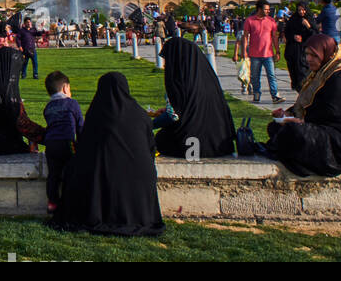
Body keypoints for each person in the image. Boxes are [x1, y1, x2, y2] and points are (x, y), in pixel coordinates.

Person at [50, 72, 165, 237]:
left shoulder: (96, 115)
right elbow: (150, 148)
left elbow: (85, 147)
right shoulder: (140, 115)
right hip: (138, 187)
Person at [266, 35, 341, 177]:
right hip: (325, 126)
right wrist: (289, 114)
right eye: (307, 54)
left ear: (326, 53)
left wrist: (300, 121)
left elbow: (332, 111)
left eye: (313, 55)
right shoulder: (324, 72)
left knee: (294, 132)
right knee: (276, 127)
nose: (308, 59)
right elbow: (311, 103)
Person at [154, 37, 236, 158]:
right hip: (219, 143)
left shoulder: (180, 82)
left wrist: (148, 124)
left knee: (160, 139)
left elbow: (174, 116)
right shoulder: (206, 78)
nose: (166, 65)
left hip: (192, 146)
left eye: (168, 60)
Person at [42, 71, 83, 214]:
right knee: (70, 171)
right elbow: (80, 126)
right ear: (65, 88)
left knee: (53, 174)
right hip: (67, 142)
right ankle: (70, 199)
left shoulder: (48, 107)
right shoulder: (72, 104)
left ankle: (52, 202)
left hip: (51, 145)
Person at [243, 0, 284, 104]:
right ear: (259, 9)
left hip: (268, 54)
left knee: (271, 75)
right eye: (266, 9)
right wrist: (244, 51)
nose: (268, 11)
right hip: (254, 54)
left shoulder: (271, 21)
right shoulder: (250, 21)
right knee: (255, 76)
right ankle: (256, 93)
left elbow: (274, 37)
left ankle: (275, 95)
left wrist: (277, 51)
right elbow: (245, 37)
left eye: (268, 9)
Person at [283, 2, 315, 91]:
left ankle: (304, 88)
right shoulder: (293, 19)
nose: (301, 12)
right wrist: (293, 36)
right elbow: (287, 32)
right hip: (293, 49)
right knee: (294, 71)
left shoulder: (309, 20)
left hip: (304, 50)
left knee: (303, 71)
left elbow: (314, 34)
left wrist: (308, 26)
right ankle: (298, 87)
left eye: (303, 10)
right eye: (299, 10)